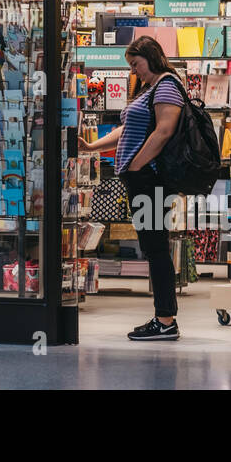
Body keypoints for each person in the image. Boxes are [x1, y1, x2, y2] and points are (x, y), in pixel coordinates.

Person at [80, 35, 184, 341]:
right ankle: (164, 317)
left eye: (135, 64)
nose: (134, 71)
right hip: (142, 179)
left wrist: (136, 165)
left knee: (155, 247)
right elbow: (128, 130)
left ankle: (165, 320)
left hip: (151, 180)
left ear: (151, 57)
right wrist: (91, 147)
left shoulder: (166, 85)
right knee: (152, 245)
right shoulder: (150, 89)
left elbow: (164, 131)